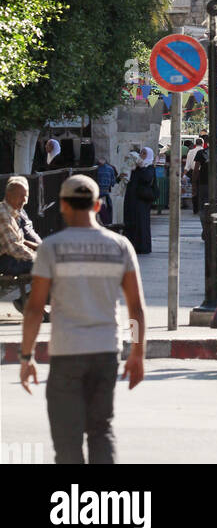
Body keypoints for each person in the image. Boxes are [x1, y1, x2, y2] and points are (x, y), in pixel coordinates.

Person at [20, 174, 146, 464]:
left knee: (67, 440)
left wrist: (26, 356)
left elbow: (35, 308)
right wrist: (137, 353)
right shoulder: (120, 245)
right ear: (98, 206)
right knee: (101, 430)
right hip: (105, 352)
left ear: (63, 205)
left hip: (66, 353)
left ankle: (75, 504)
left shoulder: (50, 248)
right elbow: (136, 308)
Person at [0, 177, 41, 299]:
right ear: (8, 194)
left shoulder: (14, 212)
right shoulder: (2, 213)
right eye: (20, 195)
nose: (24, 200)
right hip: (5, 261)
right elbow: (14, 248)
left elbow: (21, 242)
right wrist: (37, 257)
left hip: (10, 258)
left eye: (26, 196)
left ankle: (26, 300)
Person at [122, 147, 156, 255]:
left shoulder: (149, 167)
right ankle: (131, 246)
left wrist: (142, 167)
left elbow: (147, 179)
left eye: (144, 153)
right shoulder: (135, 167)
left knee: (141, 222)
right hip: (132, 199)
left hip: (142, 200)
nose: (142, 155)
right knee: (130, 221)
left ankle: (142, 246)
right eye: (141, 152)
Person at [94, 158, 118, 227]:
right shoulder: (110, 168)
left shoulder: (95, 168)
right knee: (106, 215)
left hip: (96, 192)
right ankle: (107, 225)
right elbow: (113, 183)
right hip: (105, 194)